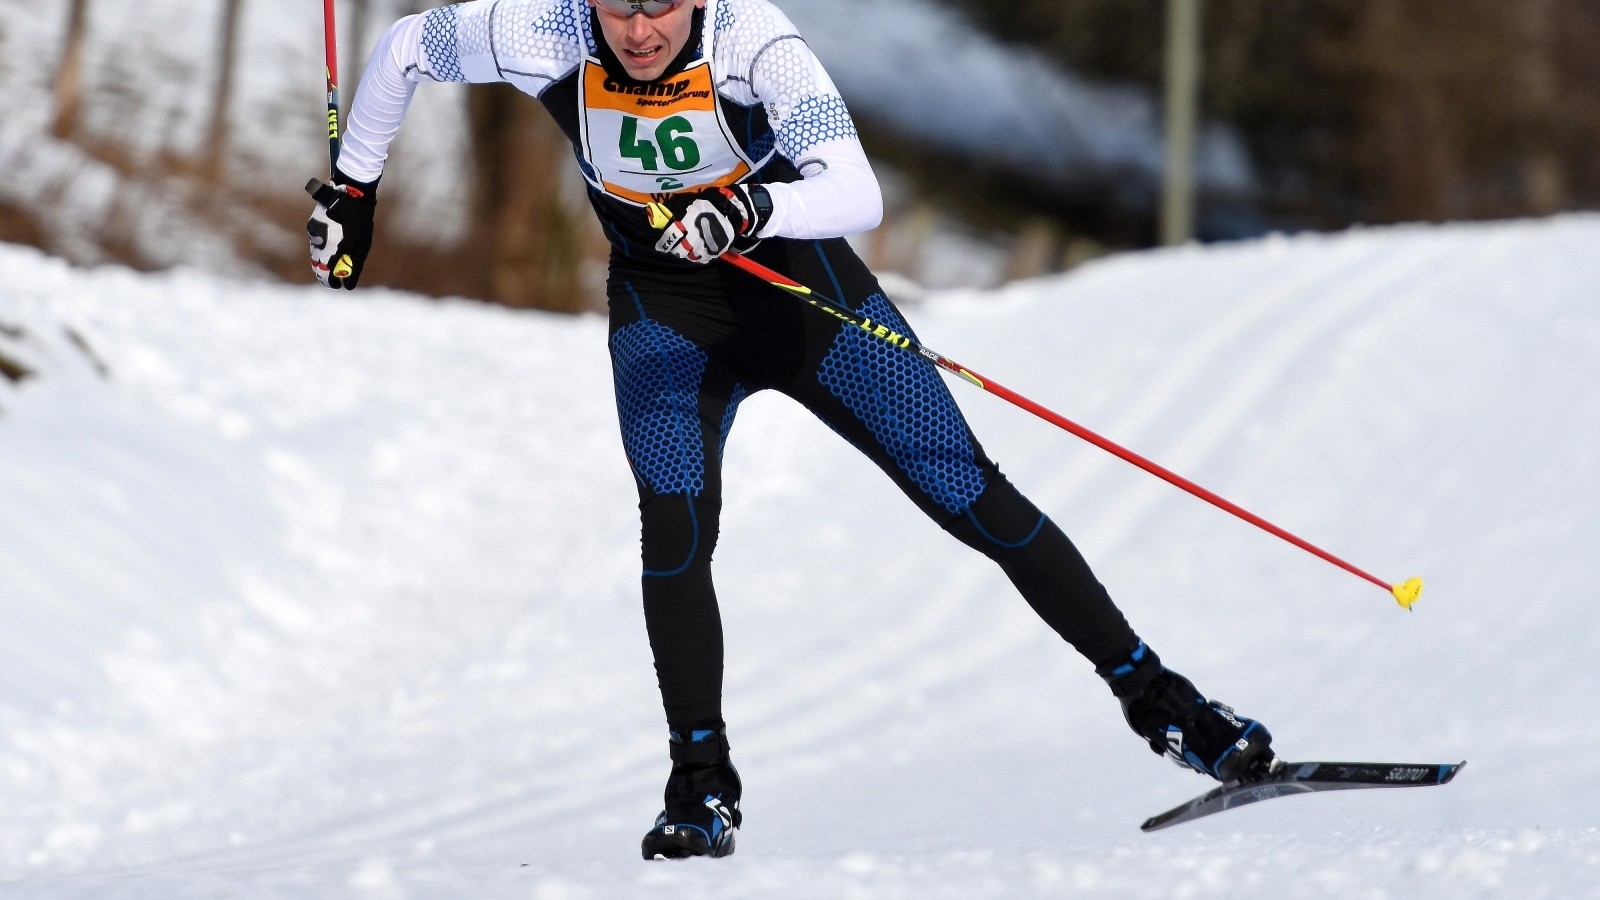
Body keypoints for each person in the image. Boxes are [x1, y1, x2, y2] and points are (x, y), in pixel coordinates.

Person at [307, 0, 1275, 860]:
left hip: (800, 299)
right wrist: (355, 192)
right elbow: (399, 51)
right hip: (668, 316)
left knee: (969, 495)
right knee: (675, 531)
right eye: (619, 9)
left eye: (663, 9)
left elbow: (856, 190)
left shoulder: (753, 41)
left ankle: (1163, 703)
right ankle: (700, 787)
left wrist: (751, 207)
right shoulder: (540, 31)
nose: (639, 32)